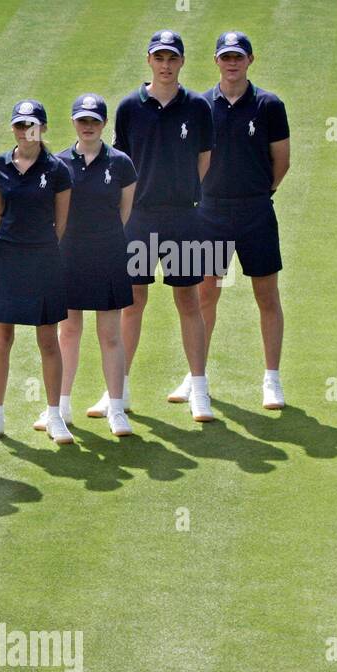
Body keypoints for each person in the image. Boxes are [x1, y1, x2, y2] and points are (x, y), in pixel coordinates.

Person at [103, 28, 216, 423]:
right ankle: (119, 389)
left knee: (189, 300)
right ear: (149, 60)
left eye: (172, 58)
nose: (166, 65)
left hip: (185, 216)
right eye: (159, 58)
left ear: (182, 62)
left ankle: (199, 389)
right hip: (139, 218)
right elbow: (121, 164)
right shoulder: (129, 107)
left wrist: (184, 192)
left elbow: (204, 160)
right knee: (132, 301)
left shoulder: (199, 107)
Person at [181, 30, 290, 410]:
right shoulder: (199, 106)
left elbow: (282, 161)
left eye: (238, 57)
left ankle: (271, 379)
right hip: (209, 212)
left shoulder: (269, 105)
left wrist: (260, 193)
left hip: (256, 211)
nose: (232, 63)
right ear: (216, 61)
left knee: (266, 295)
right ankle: (196, 377)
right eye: (225, 57)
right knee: (204, 294)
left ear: (250, 60)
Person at [0, 100, 74, 445]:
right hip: (6, 258)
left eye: (31, 125)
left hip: (43, 259)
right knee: (2, 338)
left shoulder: (58, 170)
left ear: (43, 128)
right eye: (19, 126)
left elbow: (60, 223)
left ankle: (54, 414)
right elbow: (0, 214)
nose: (25, 132)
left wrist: (39, 245)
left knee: (48, 339)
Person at [40, 94, 138, 437]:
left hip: (109, 255)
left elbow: (125, 211)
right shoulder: (58, 163)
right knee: (68, 331)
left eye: (95, 121)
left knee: (110, 334)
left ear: (104, 124)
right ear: (73, 122)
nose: (88, 127)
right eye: (83, 121)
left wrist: (106, 239)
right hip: (68, 256)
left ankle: (116, 408)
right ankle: (61, 406)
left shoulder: (121, 163)